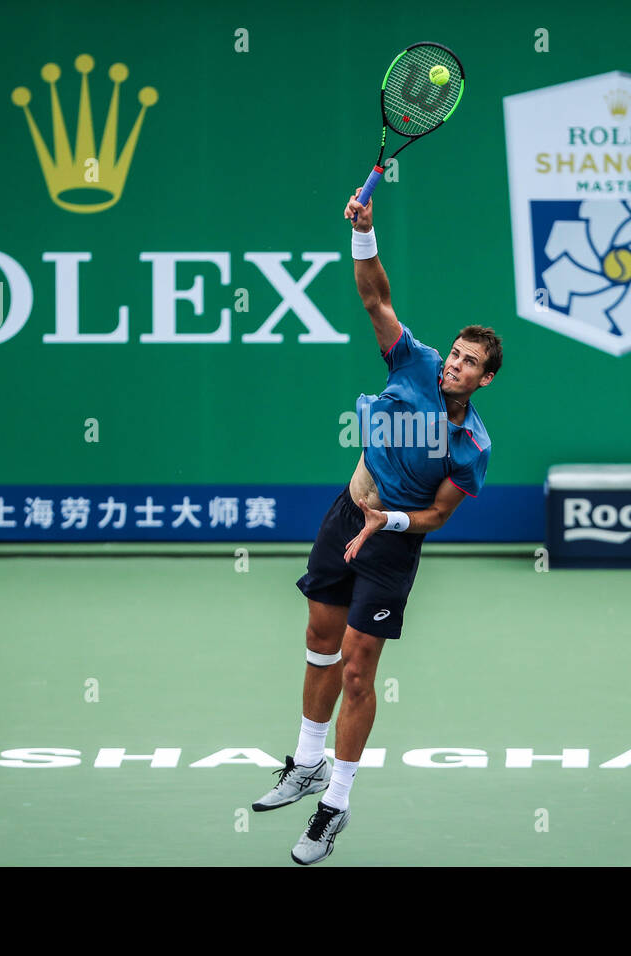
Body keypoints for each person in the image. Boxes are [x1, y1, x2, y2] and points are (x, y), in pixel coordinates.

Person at [251, 188, 502, 864]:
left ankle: (335, 804)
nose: (454, 363)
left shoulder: (471, 447)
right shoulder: (411, 361)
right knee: (319, 639)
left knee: (359, 673)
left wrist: (386, 519)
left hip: (390, 547)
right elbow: (375, 299)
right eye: (454, 353)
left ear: (484, 381)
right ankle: (304, 762)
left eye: (470, 362)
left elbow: (437, 516)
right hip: (343, 518)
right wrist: (364, 232)